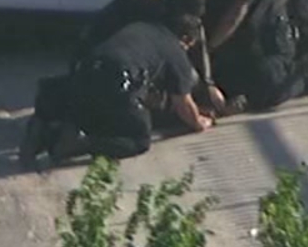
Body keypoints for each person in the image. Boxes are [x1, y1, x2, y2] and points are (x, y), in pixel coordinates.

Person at [19, 12, 213, 169]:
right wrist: (198, 122)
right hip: (117, 81)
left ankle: (38, 131)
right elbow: (183, 104)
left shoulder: (142, 26)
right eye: (189, 46)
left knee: (80, 97)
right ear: (186, 38)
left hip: (89, 68)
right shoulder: (175, 51)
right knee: (139, 140)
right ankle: (79, 143)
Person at [204, 0, 308, 113]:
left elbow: (235, 14)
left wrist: (209, 48)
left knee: (268, 83)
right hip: (246, 42)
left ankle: (304, 77)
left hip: (271, 41)